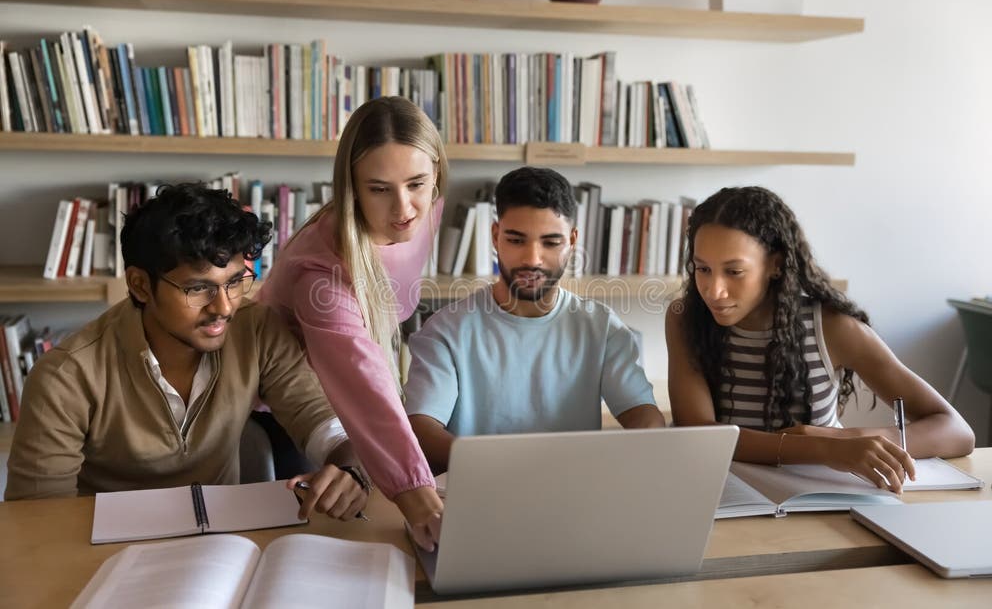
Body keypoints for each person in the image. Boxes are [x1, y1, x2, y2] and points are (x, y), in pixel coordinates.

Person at [5, 184, 368, 522]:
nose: (224, 307)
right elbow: (38, 520)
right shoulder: (66, 377)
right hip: (103, 555)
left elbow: (319, 421)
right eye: (198, 289)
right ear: (141, 285)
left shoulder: (257, 329)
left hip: (219, 546)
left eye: (235, 282)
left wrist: (349, 468)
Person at [666, 186, 974, 492]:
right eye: (702, 268)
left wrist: (842, 439)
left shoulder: (832, 328)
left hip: (820, 498)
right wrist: (823, 449)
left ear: (775, 265)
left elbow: (957, 431)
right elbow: (701, 434)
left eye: (734, 271)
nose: (714, 290)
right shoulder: (685, 319)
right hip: (724, 494)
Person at [257, 96, 447, 550]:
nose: (404, 208)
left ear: (436, 171)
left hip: (363, 409)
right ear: (352, 189)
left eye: (417, 183)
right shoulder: (319, 273)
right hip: (294, 420)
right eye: (379, 188)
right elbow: (360, 376)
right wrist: (420, 500)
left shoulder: (425, 209)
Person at [404, 166, 666, 473]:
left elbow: (645, 417)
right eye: (516, 240)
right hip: (481, 492)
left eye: (551, 242)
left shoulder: (601, 327)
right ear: (495, 235)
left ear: (572, 241)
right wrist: (504, 470)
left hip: (575, 496)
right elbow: (421, 428)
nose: (532, 259)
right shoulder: (446, 331)